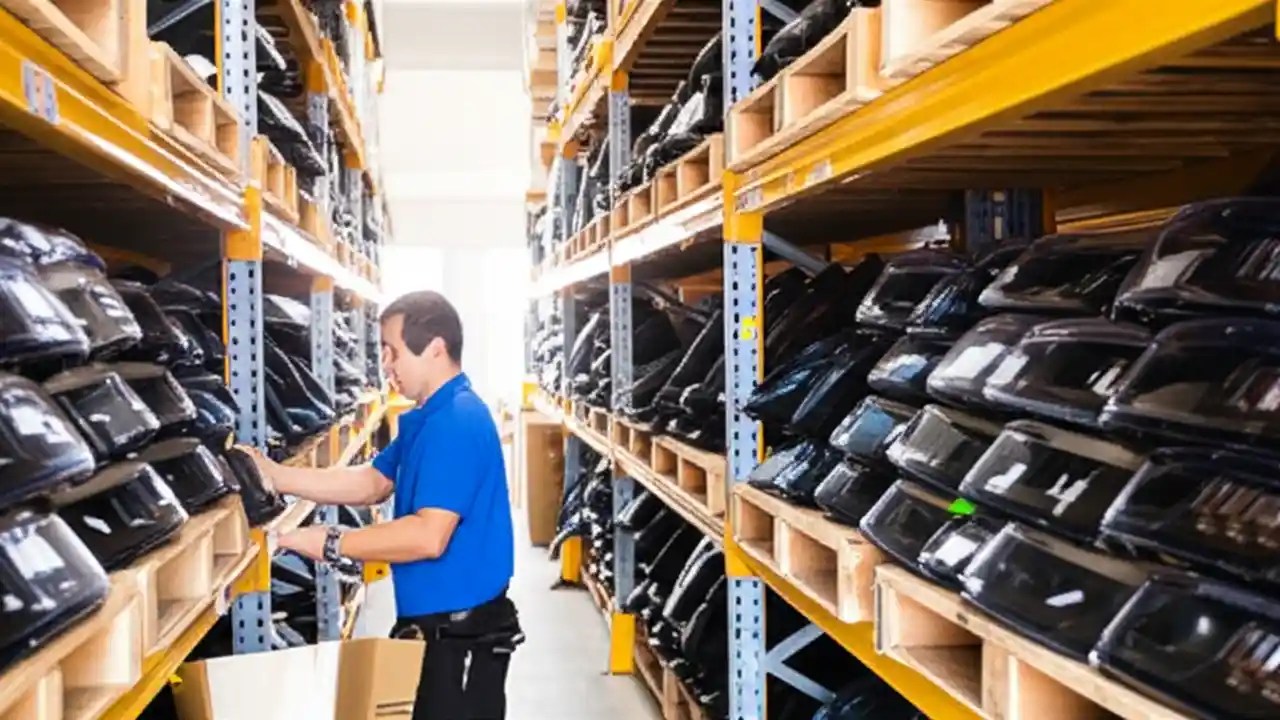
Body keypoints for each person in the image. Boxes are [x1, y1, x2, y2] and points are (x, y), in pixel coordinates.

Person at [245, 290, 521, 720]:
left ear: (434, 349)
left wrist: (332, 542)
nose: (386, 365)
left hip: (460, 637)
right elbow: (372, 481)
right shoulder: (430, 416)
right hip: (434, 626)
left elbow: (428, 537)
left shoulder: (458, 422)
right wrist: (277, 477)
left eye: (393, 352)